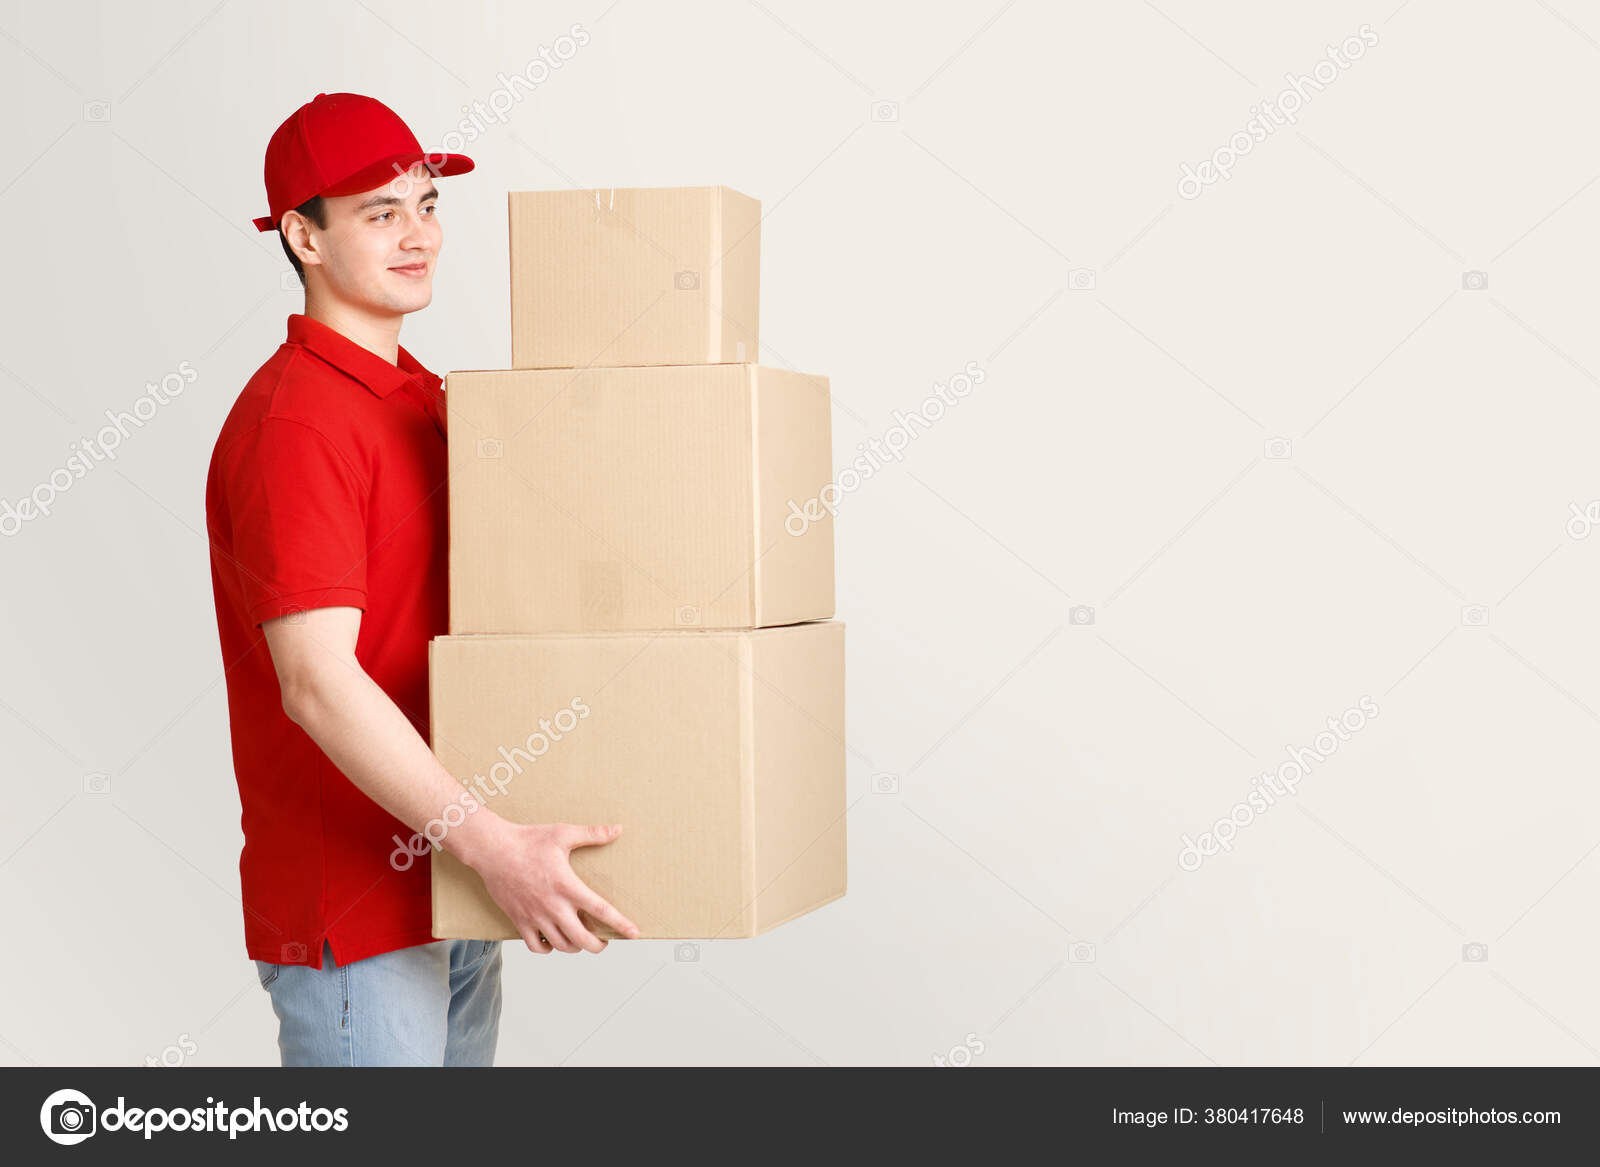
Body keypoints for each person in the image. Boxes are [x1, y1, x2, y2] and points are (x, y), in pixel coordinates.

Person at [204, 92, 638, 1067]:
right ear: (302, 239)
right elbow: (317, 682)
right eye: (379, 212)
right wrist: (496, 848)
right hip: (361, 917)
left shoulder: (427, 402)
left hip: (451, 881)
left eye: (429, 205)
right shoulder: (300, 425)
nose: (419, 236)